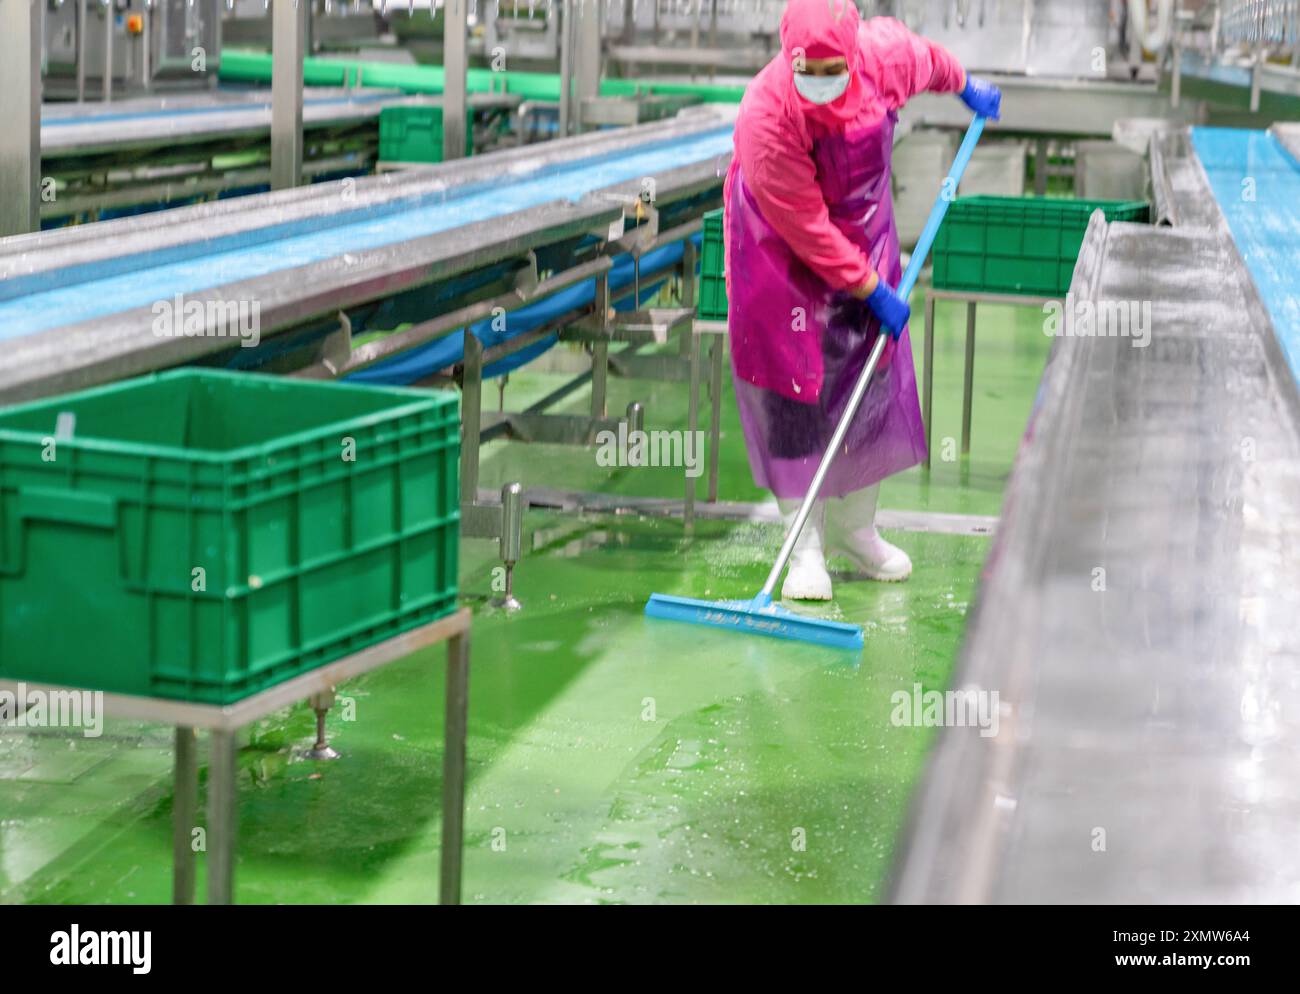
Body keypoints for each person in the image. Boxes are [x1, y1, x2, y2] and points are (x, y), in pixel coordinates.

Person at [723, 0, 1001, 600]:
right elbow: (806, 226)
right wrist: (872, 287)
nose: (821, 84)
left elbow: (929, 62)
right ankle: (805, 550)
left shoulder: (884, 56)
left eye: (833, 71)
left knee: (868, 379)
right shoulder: (766, 117)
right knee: (794, 391)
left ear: (854, 56)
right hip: (781, 251)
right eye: (810, 72)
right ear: (788, 57)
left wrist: (966, 86)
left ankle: (855, 530)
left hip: (863, 232)